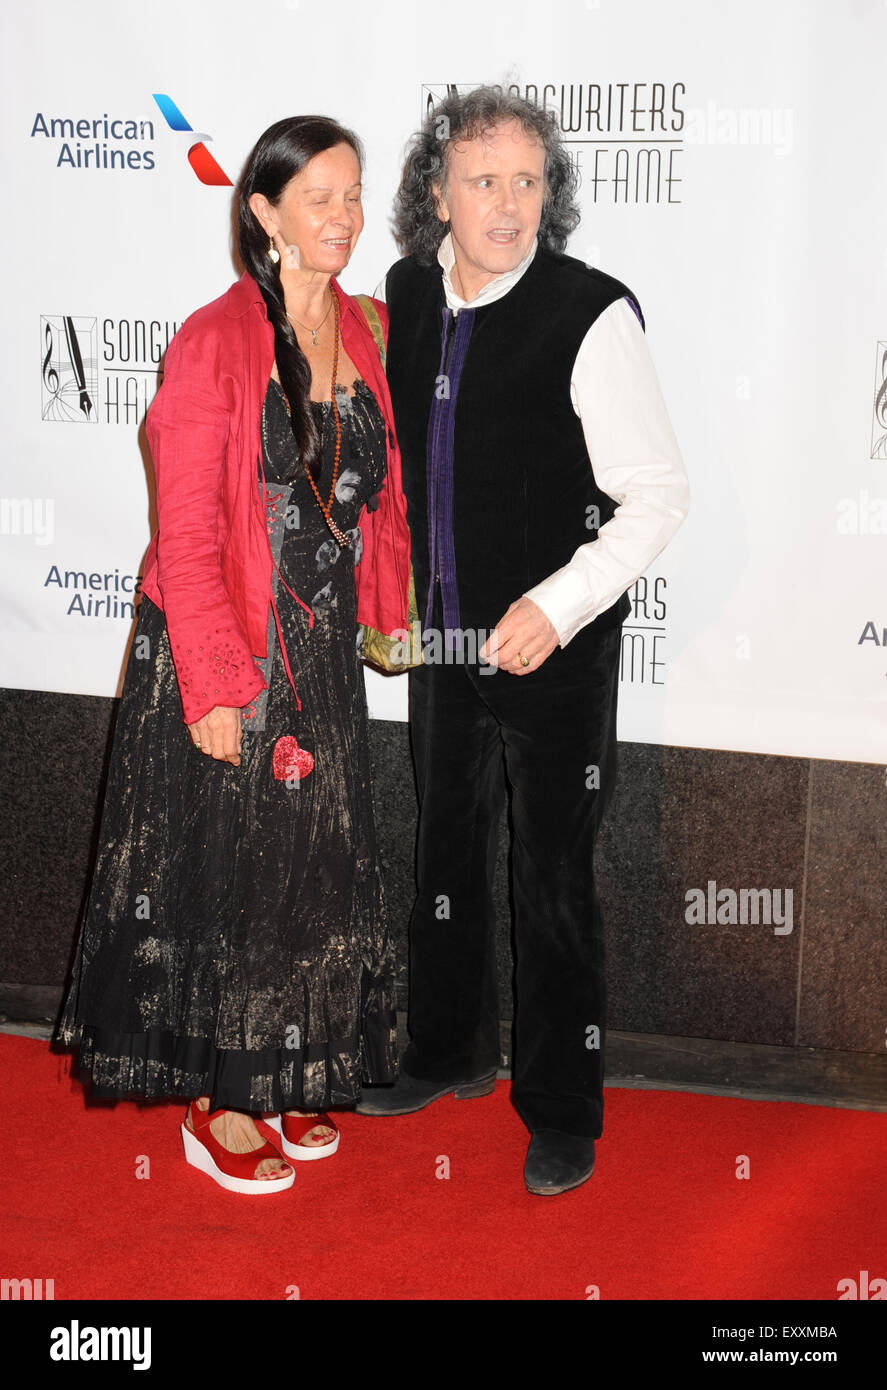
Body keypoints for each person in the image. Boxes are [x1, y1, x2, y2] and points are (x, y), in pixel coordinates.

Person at [54, 115, 413, 1195]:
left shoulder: (368, 331)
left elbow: (378, 499)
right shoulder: (215, 339)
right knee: (230, 874)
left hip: (322, 657)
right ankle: (222, 1099)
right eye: (319, 198)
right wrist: (214, 682)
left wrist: (388, 609)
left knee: (310, 875)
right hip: (231, 648)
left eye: (354, 196)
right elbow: (191, 533)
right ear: (262, 212)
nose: (343, 217)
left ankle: (284, 1061)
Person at [356, 87, 690, 1196]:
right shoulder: (404, 293)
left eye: (528, 182)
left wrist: (559, 602)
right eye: (483, 181)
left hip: (560, 647)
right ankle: (446, 1049)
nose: (508, 207)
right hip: (441, 645)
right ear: (435, 194)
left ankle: (560, 1105)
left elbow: (655, 495)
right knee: (440, 855)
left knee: (552, 878)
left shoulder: (589, 312)